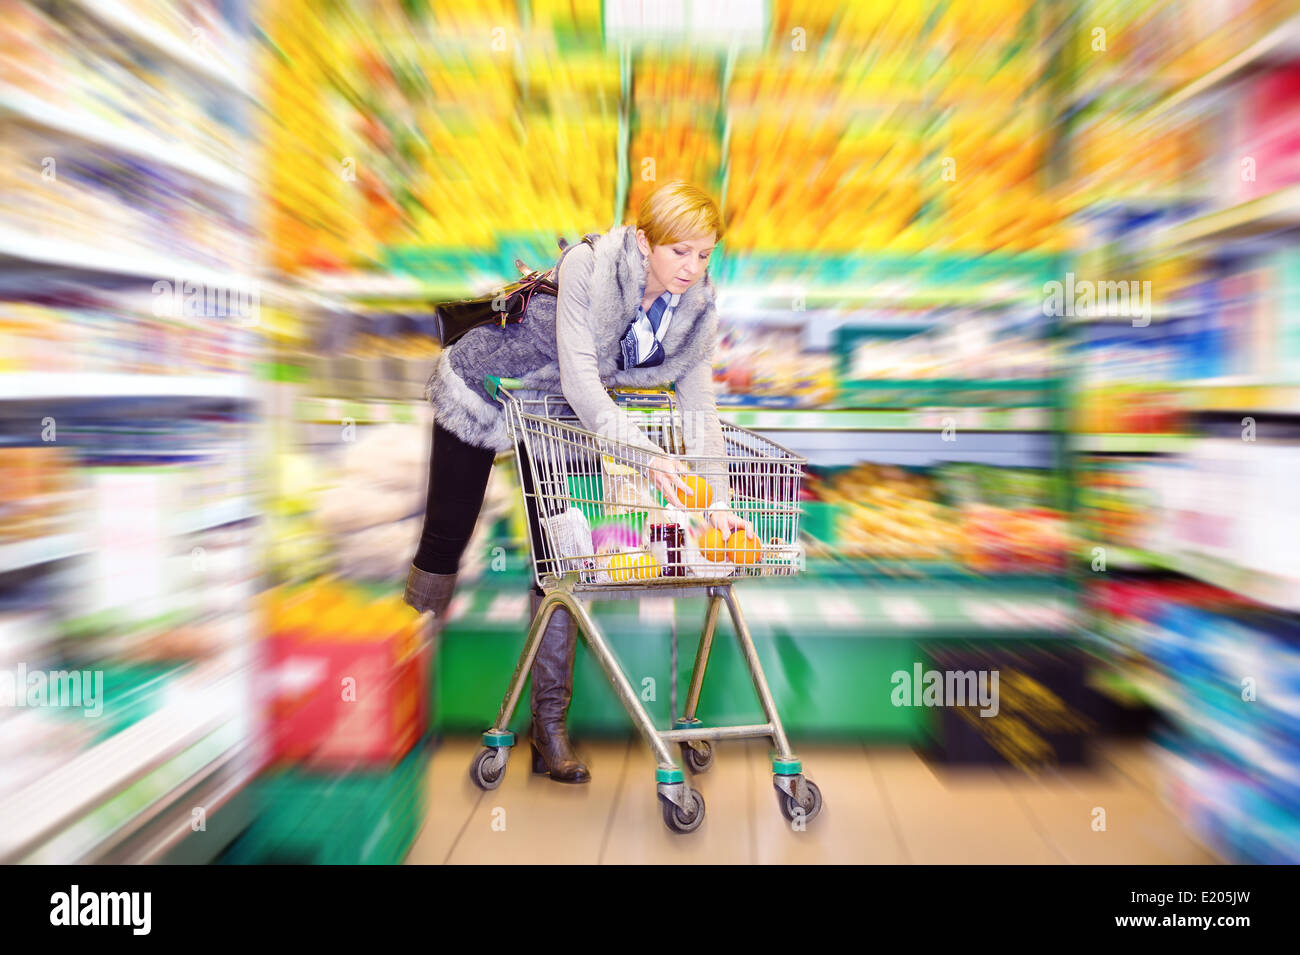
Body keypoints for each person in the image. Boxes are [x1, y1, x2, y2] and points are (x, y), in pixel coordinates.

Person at [404, 179, 752, 783]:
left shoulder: (692, 309)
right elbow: (583, 385)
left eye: (704, 253)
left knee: (560, 560)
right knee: (444, 542)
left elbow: (699, 409)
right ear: (645, 242)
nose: (692, 268)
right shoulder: (590, 267)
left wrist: (718, 503)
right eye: (679, 251)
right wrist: (650, 458)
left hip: (552, 420)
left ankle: (549, 730)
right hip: (488, 388)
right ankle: (399, 698)